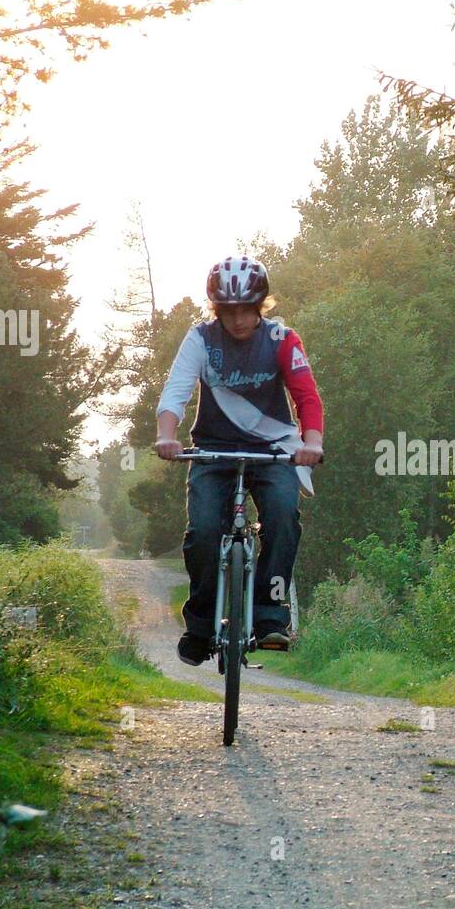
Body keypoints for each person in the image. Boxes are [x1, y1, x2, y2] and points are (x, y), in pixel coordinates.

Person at [154, 255, 324, 665]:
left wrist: (312, 443)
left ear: (260, 305)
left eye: (247, 309)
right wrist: (166, 436)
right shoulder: (200, 339)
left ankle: (270, 616)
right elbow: (175, 392)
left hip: (274, 450)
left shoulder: (283, 339)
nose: (239, 320)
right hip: (213, 450)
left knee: (284, 516)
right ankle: (199, 626)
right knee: (204, 533)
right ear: (217, 310)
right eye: (229, 311)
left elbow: (306, 396)